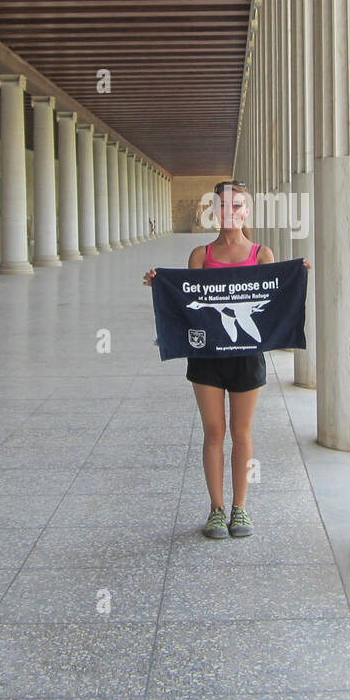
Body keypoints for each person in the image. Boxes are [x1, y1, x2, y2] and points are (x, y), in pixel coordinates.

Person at [143, 181, 310, 540]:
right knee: (214, 431)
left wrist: (297, 276)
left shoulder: (262, 255)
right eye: (221, 206)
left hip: (246, 356)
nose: (228, 212)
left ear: (246, 211)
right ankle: (216, 508)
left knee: (242, 432)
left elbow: (275, 296)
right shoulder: (201, 256)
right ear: (212, 212)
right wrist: (160, 284)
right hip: (206, 356)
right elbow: (187, 299)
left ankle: (241, 508)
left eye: (236, 206)